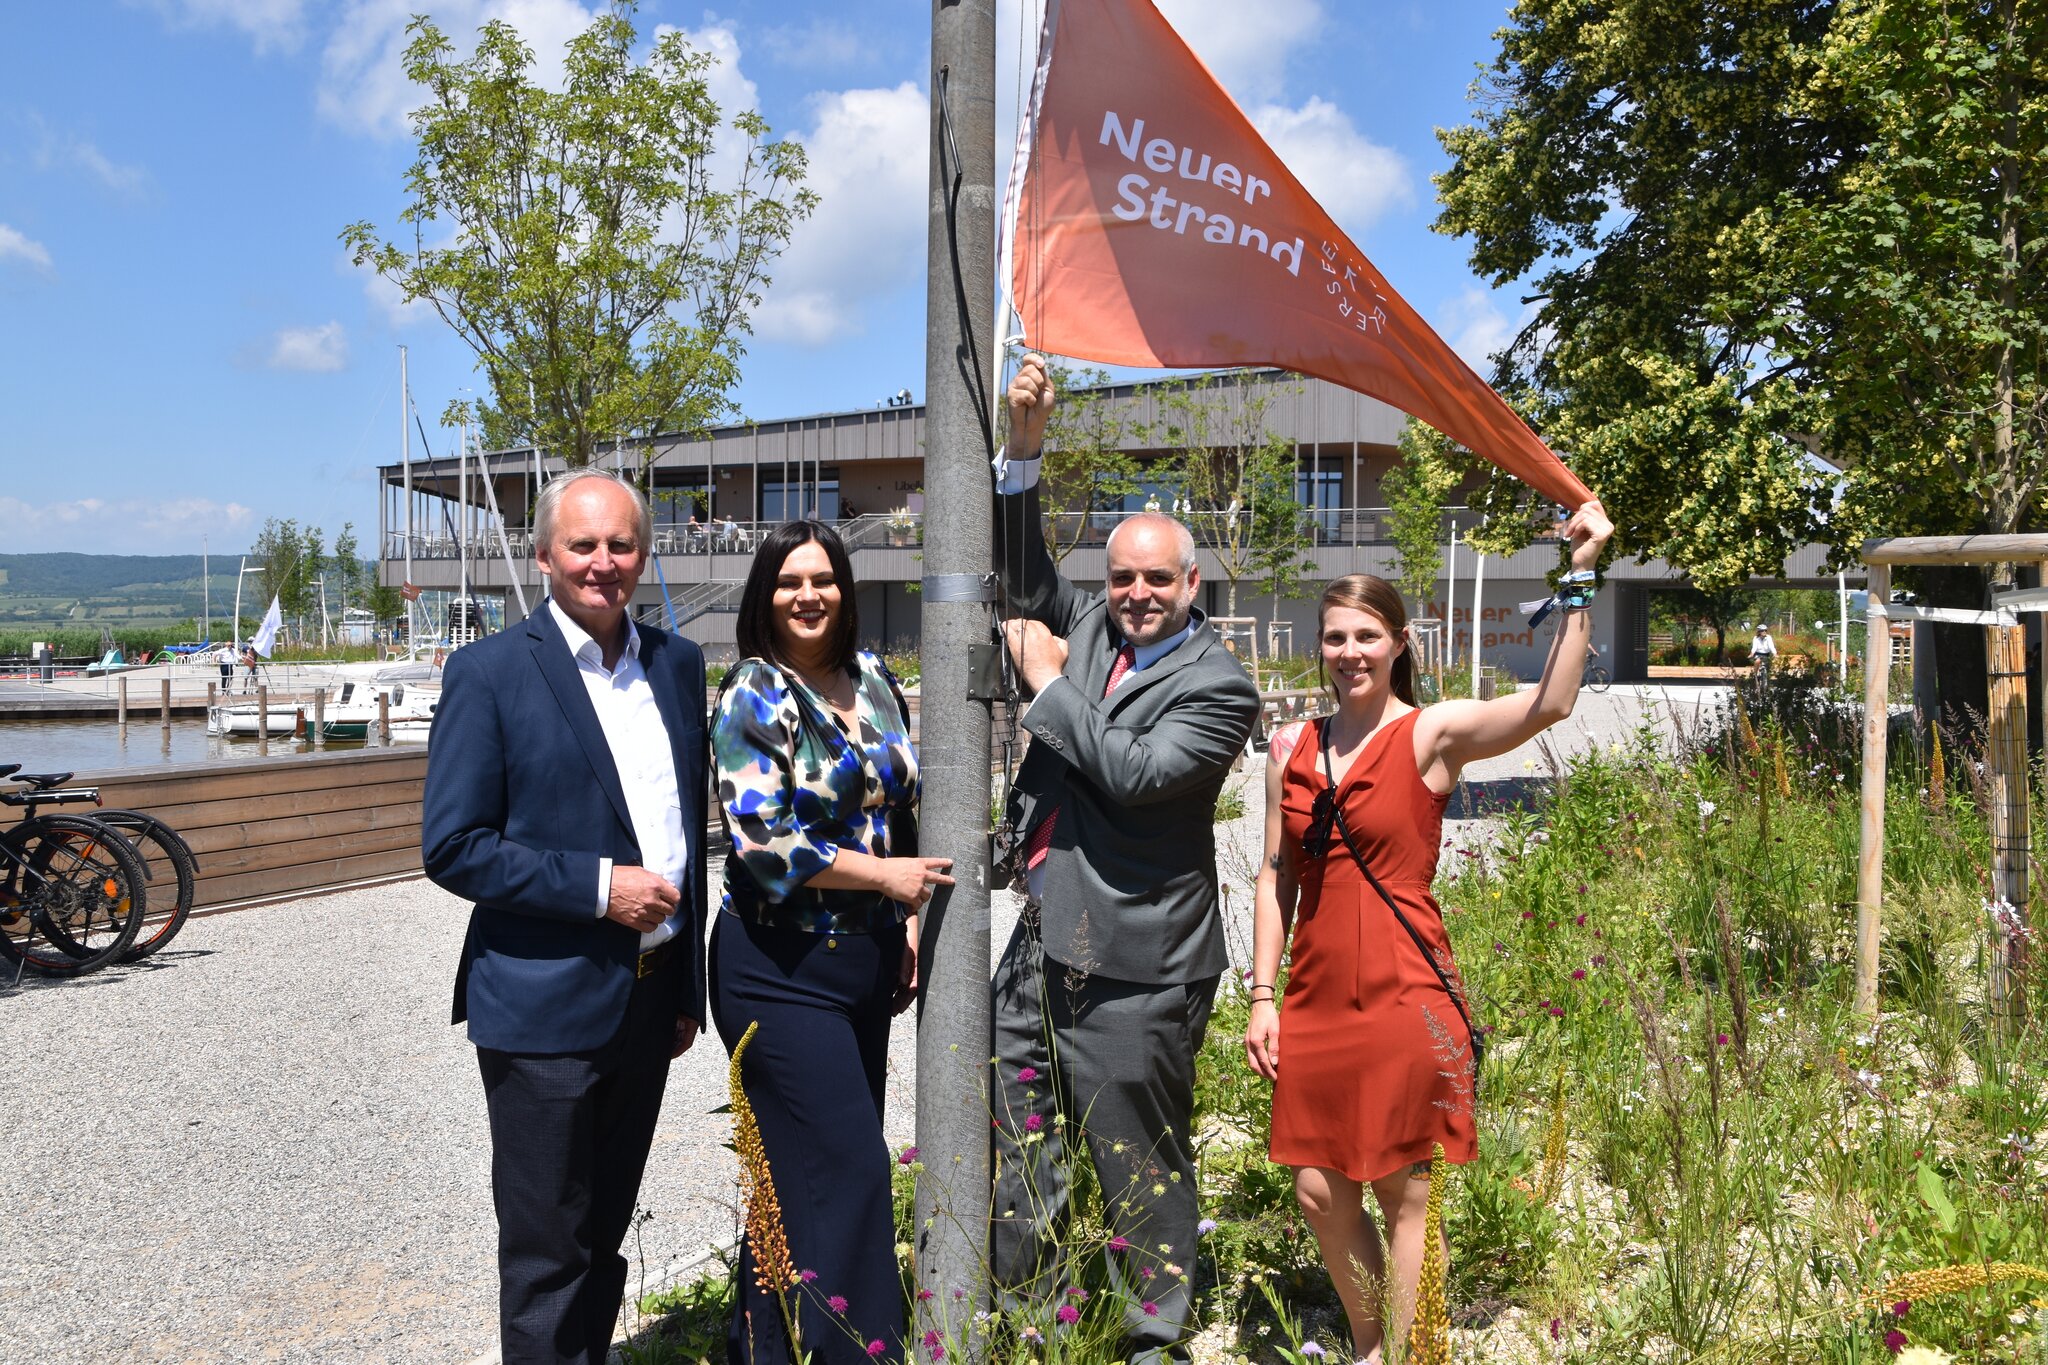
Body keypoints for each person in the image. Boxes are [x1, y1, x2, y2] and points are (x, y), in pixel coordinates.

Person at [1243, 501, 1614, 1363]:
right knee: (1316, 1186)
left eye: (1367, 636)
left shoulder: (1430, 734)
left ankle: (1400, 1354)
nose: (1350, 654)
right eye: (1335, 638)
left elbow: (1551, 702)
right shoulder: (1289, 747)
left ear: (1399, 641)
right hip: (1317, 994)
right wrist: (1262, 994)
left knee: (1405, 1188)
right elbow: (1276, 875)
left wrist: (1582, 572)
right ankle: (1377, 1338)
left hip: (1408, 990)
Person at [989, 355, 1261, 1364]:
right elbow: (1022, 585)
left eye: (1156, 578)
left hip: (1141, 965)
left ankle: (1152, 1334)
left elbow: (1137, 774)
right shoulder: (1094, 626)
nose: (1135, 593)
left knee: (1137, 1157)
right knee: (1021, 1139)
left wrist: (1048, 688)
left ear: (1191, 585)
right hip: (1042, 938)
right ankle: (1036, 1315)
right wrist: (1026, 448)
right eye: (1121, 578)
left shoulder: (1219, 686)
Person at [421, 469, 709, 1365]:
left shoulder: (678, 663)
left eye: (621, 544)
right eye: (582, 544)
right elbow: (454, 844)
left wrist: (685, 983)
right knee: (547, 1254)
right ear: (544, 555)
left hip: (648, 1001)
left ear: (643, 552)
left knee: (604, 1233)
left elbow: (684, 827)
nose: (603, 562)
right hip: (543, 1008)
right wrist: (600, 889)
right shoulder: (489, 673)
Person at [710, 519, 946, 1365]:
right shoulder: (753, 690)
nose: (808, 594)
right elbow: (764, 843)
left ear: (846, 588)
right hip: (778, 967)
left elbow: (898, 811)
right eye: (788, 581)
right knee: (851, 1170)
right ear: (764, 597)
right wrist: (887, 882)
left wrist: (907, 921)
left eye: (823, 578)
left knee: (795, 1179)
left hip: (867, 959)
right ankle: (863, 1353)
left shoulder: (876, 676)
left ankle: (768, 1350)